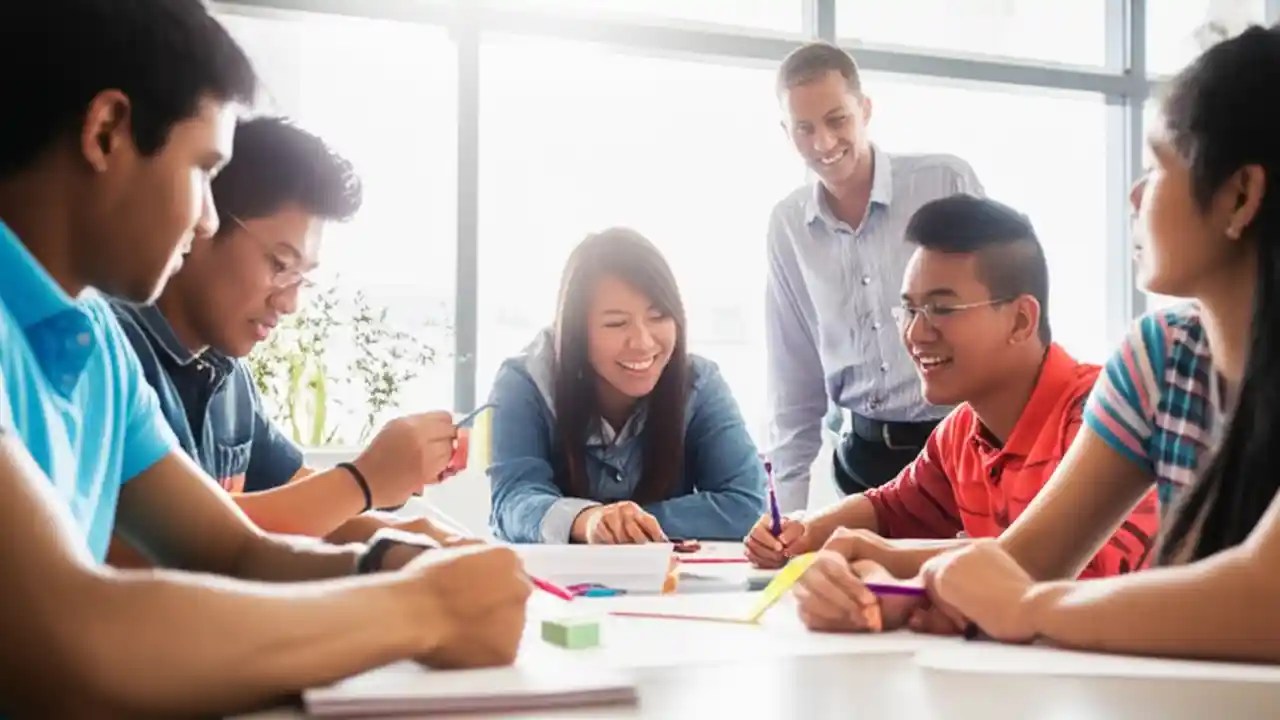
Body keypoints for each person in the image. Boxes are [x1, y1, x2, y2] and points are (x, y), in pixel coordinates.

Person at [0, 3, 527, 716]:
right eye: (202, 170)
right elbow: (72, 641)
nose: (207, 220)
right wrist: (420, 608)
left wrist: (387, 562)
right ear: (107, 133)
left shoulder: (95, 346)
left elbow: (236, 552)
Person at [834, 27, 1280, 661]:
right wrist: (874, 586)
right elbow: (1027, 563)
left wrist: (1023, 607)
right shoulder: (1160, 359)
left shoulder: (1088, 393)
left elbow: (1266, 597)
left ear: (1240, 195)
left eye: (1155, 167)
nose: (1134, 195)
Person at [744, 195, 1161, 629]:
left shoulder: (1099, 414)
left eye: (942, 309)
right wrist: (803, 531)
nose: (915, 332)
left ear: (1020, 321)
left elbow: (1084, 579)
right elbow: (888, 509)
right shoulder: (961, 430)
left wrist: (880, 560)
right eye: (909, 308)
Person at [109, 116, 463, 558]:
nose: (290, 303)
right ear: (205, 217)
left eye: (303, 277)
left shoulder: (229, 378)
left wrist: (412, 529)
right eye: (280, 265)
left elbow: (296, 496)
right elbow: (198, 539)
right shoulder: (114, 351)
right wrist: (364, 481)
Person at [766, 41, 985, 512]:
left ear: (865, 109)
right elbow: (794, 379)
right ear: (787, 132)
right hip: (863, 464)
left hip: (962, 449)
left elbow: (1001, 310)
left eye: (837, 119)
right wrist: (785, 516)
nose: (823, 142)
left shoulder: (944, 182)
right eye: (804, 128)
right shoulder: (787, 226)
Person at [487, 228, 766, 543]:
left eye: (659, 316)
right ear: (576, 331)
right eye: (617, 323)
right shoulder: (524, 383)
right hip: (556, 588)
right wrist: (587, 520)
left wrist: (624, 524)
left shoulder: (699, 382)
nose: (644, 343)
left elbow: (747, 506)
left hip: (670, 586)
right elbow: (512, 501)